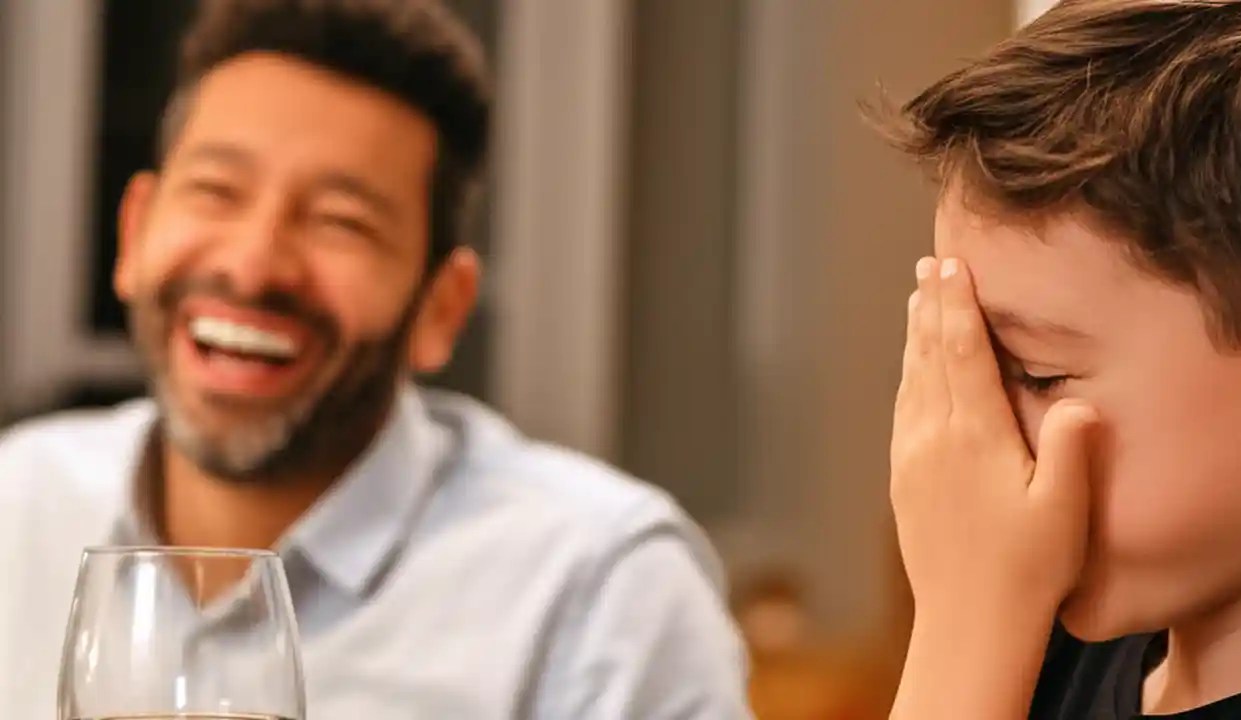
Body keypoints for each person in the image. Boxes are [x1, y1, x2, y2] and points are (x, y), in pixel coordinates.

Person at [0, 1, 751, 717]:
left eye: (341, 221)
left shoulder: (601, 589)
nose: (254, 265)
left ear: (441, 309)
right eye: (216, 190)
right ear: (134, 235)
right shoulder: (17, 501)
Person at [875, 0, 1241, 717]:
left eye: (1038, 374)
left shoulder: (996, 636)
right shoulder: (1050, 645)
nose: (972, 437)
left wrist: (965, 633)